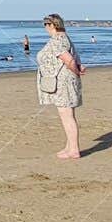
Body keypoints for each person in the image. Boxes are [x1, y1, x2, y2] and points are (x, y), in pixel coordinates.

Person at [37, 14, 83, 159]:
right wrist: (78, 69)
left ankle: (74, 149)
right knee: (67, 115)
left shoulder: (58, 39)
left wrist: (76, 71)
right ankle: (69, 146)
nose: (45, 28)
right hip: (64, 81)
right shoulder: (64, 38)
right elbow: (72, 59)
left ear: (51, 25)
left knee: (67, 115)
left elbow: (68, 60)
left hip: (63, 83)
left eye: (46, 25)